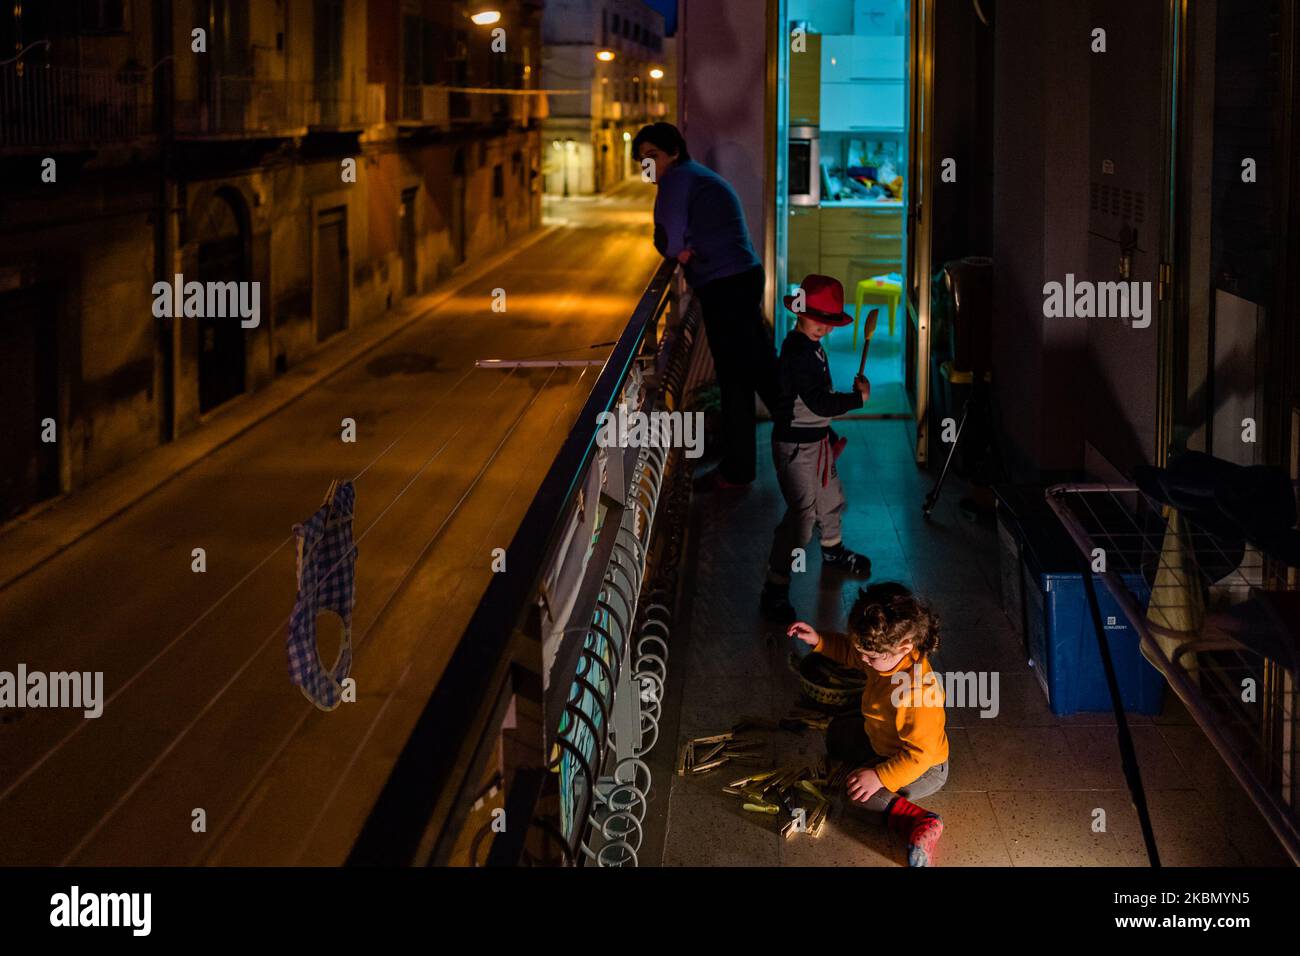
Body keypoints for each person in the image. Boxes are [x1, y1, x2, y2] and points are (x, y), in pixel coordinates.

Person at [633, 122, 779, 490]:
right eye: (641, 161)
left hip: (725, 285)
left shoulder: (677, 180)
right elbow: (675, 238)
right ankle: (763, 460)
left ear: (674, 153)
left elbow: (666, 237)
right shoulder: (692, 176)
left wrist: (674, 248)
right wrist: (678, 245)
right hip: (737, 280)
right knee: (752, 374)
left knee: (744, 377)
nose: (647, 167)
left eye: (652, 157)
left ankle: (802, 448)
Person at [789, 583, 950, 867]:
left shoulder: (918, 693)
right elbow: (853, 654)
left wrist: (879, 776)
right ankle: (870, 765)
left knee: (859, 799)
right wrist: (819, 640)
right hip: (883, 740)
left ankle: (920, 822)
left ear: (904, 647)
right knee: (838, 734)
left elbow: (919, 755)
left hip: (923, 767)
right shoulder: (885, 652)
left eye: (870, 657)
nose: (862, 660)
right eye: (861, 651)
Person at [760, 273, 873, 624]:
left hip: (816, 442)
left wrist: (828, 433)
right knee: (802, 517)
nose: (822, 328)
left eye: (829, 323)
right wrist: (857, 399)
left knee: (830, 499)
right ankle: (775, 586)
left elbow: (817, 409)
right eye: (817, 320)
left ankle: (833, 551)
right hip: (795, 449)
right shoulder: (797, 352)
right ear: (799, 312)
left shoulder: (811, 346)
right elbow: (819, 402)